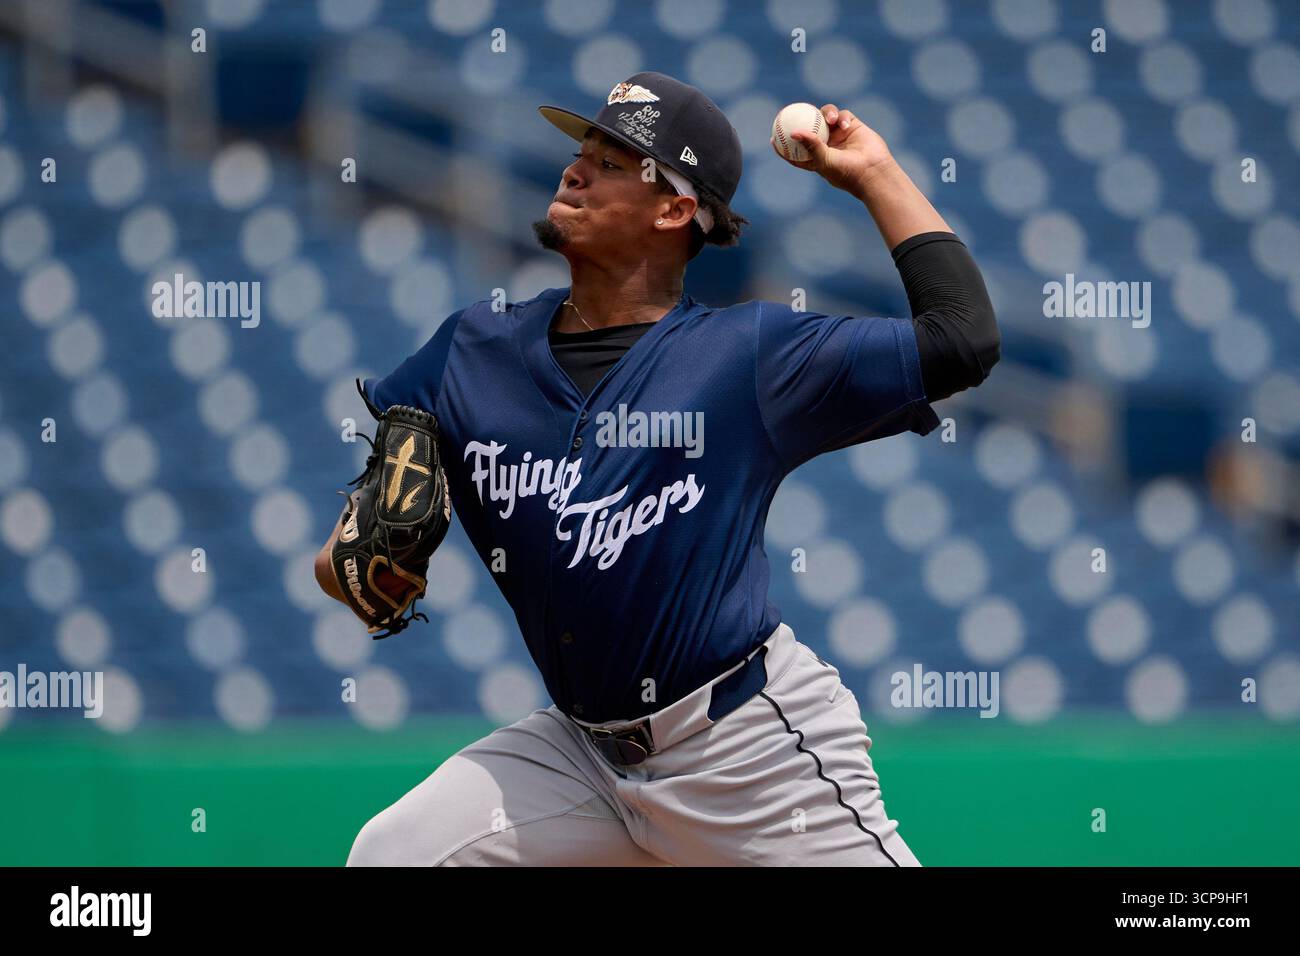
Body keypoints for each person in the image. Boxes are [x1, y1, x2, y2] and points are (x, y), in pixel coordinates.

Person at [322, 72, 999, 866]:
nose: (574, 170)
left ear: (676, 209)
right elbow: (352, 552)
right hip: (581, 754)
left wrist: (874, 174)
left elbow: (963, 339)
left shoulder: (750, 357)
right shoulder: (471, 351)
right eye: (580, 153)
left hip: (744, 753)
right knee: (395, 854)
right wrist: (351, 563)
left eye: (612, 162)